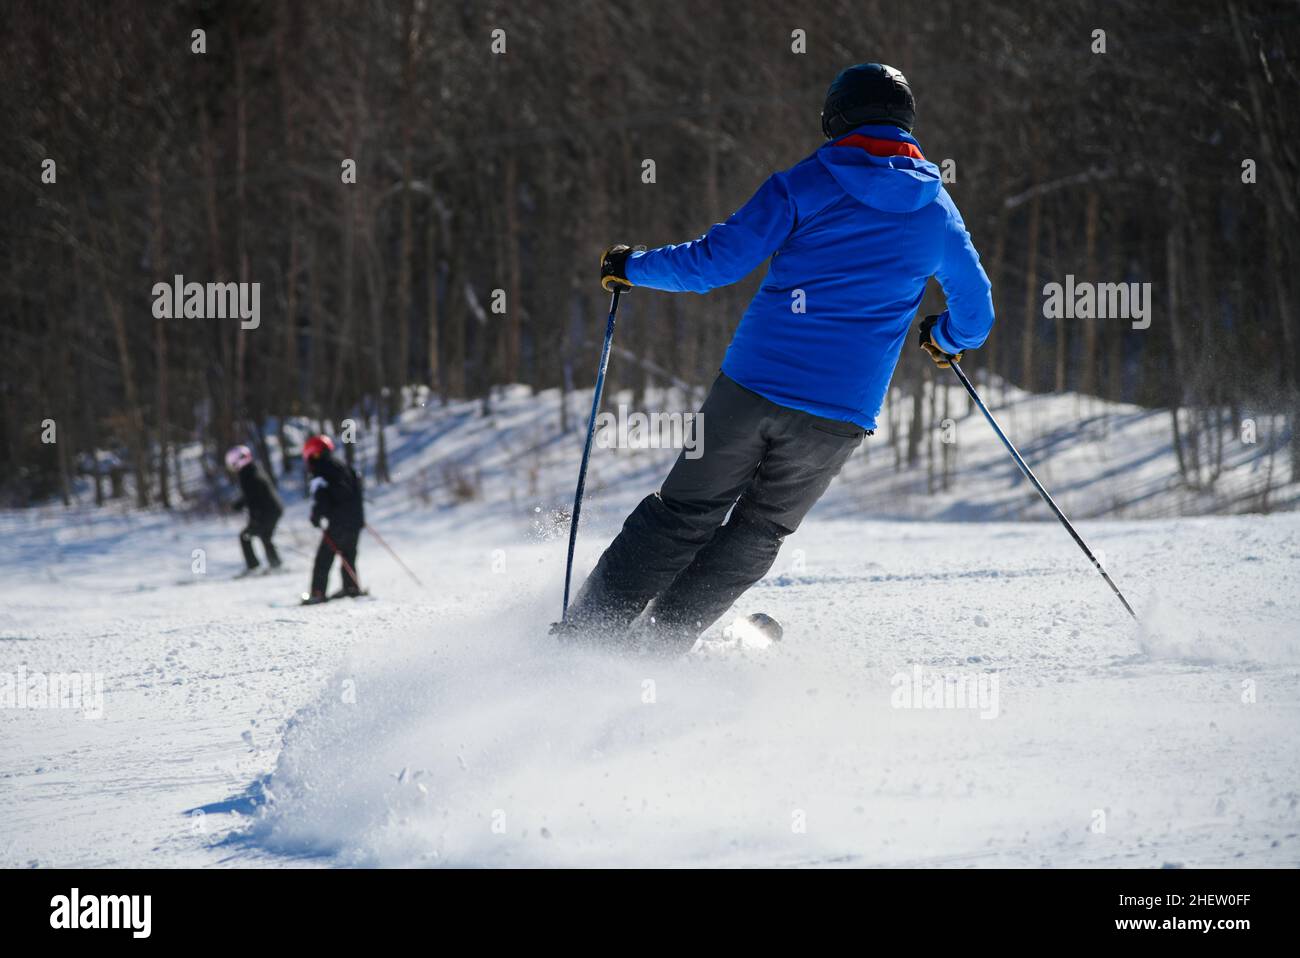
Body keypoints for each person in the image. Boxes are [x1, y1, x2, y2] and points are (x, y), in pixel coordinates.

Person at [562, 62, 996, 652]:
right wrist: (944, 339)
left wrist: (631, 266)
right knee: (760, 532)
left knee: (682, 514)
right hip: (838, 416)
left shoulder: (807, 183)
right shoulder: (937, 211)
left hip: (751, 390)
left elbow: (717, 263)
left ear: (835, 118)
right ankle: (657, 647)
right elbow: (977, 316)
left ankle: (586, 640)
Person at [301, 434, 365, 604]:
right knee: (348, 555)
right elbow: (356, 490)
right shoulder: (343, 466)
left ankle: (317, 593)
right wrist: (359, 518)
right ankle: (351, 588)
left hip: (338, 522)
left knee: (324, 558)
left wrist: (315, 517)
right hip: (356, 521)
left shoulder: (320, 471)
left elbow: (321, 498)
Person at [226, 444, 283, 576]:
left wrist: (254, 520)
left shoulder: (247, 475)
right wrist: (239, 504)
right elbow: (251, 495)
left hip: (267, 512)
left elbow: (253, 500)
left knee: (245, 536)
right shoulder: (252, 469)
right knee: (265, 536)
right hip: (274, 509)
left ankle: (254, 567)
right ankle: (276, 564)